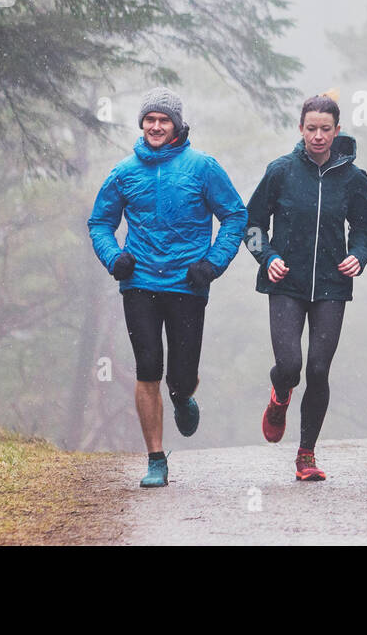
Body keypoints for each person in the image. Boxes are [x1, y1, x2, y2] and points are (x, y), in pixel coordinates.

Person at [88, 87, 247, 488]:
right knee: (147, 367)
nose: (157, 126)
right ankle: (155, 458)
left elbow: (234, 215)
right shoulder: (123, 172)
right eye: (150, 119)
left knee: (181, 372)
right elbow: (99, 223)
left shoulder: (203, 167)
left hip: (187, 283)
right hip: (138, 281)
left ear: (177, 125)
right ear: (142, 124)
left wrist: (211, 264)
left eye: (164, 120)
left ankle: (181, 396)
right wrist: (114, 258)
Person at [244, 94, 367, 481]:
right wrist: (267, 257)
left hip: (332, 287)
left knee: (319, 370)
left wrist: (359, 253)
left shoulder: (353, 178)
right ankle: (280, 393)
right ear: (300, 129)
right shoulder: (281, 171)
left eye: (325, 129)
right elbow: (251, 225)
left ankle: (306, 454)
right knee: (291, 365)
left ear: (337, 131)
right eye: (311, 129)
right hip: (286, 282)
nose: (318, 136)